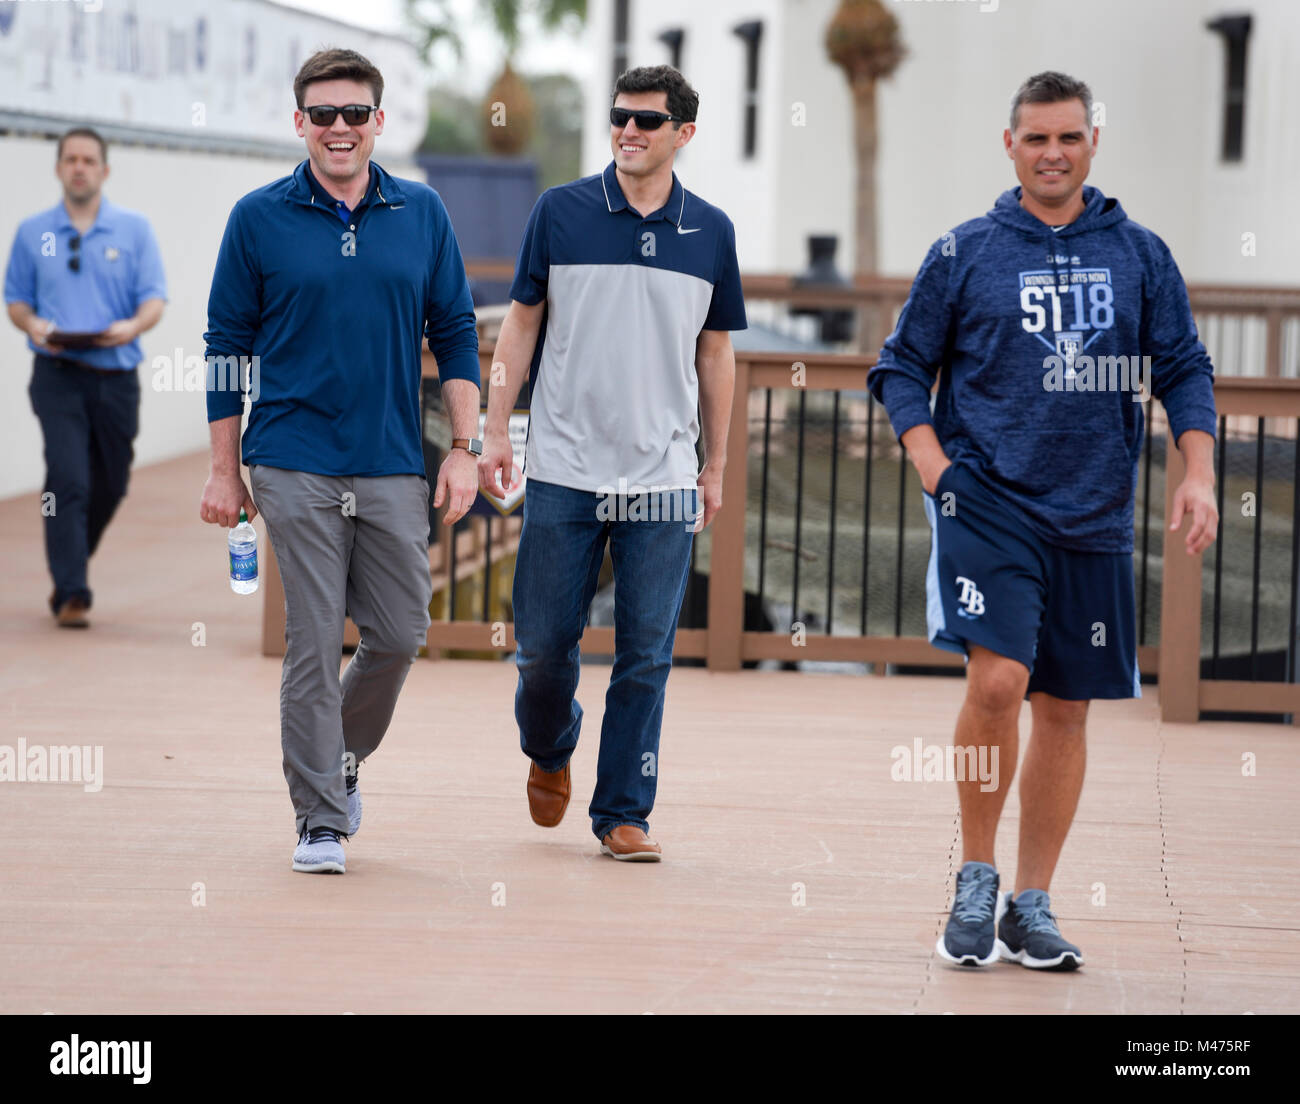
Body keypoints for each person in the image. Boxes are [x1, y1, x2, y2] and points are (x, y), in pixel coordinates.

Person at [868, 71, 1218, 969]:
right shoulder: (967, 250)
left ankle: (1031, 904)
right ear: (1010, 144)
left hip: (1095, 511)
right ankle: (975, 880)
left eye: (1068, 137)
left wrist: (1200, 473)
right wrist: (935, 468)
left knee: (1065, 706)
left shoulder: (1141, 254)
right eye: (1036, 139)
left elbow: (1181, 367)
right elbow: (901, 366)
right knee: (998, 684)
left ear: (1093, 141)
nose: (1053, 153)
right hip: (987, 500)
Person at [200, 48, 481, 875]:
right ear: (300, 124)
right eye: (322, 114)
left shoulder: (423, 213)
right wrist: (224, 469)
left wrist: (463, 449)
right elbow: (224, 350)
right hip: (291, 457)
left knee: (399, 632)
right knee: (315, 637)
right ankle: (320, 819)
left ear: (377, 122)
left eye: (354, 114)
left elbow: (457, 334)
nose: (339, 129)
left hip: (393, 457)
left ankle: (341, 758)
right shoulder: (258, 218)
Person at [479, 65, 746, 862]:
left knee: (644, 654)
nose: (628, 131)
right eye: (619, 117)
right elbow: (520, 327)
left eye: (646, 121)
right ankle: (551, 745)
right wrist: (498, 431)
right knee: (544, 647)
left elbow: (717, 352)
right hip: (562, 467)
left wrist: (716, 462)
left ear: (683, 135)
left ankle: (625, 812)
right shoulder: (559, 212)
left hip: (665, 476)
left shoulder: (712, 230)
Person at [4, 128, 166, 628]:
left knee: (111, 483)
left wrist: (132, 326)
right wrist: (32, 325)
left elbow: (154, 298)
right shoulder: (35, 232)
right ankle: (72, 590)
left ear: (104, 170)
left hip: (116, 374)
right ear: (58, 168)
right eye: (70, 159)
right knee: (67, 479)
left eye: (88, 160)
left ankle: (71, 558)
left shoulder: (133, 229)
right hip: (57, 373)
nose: (79, 167)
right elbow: (16, 300)